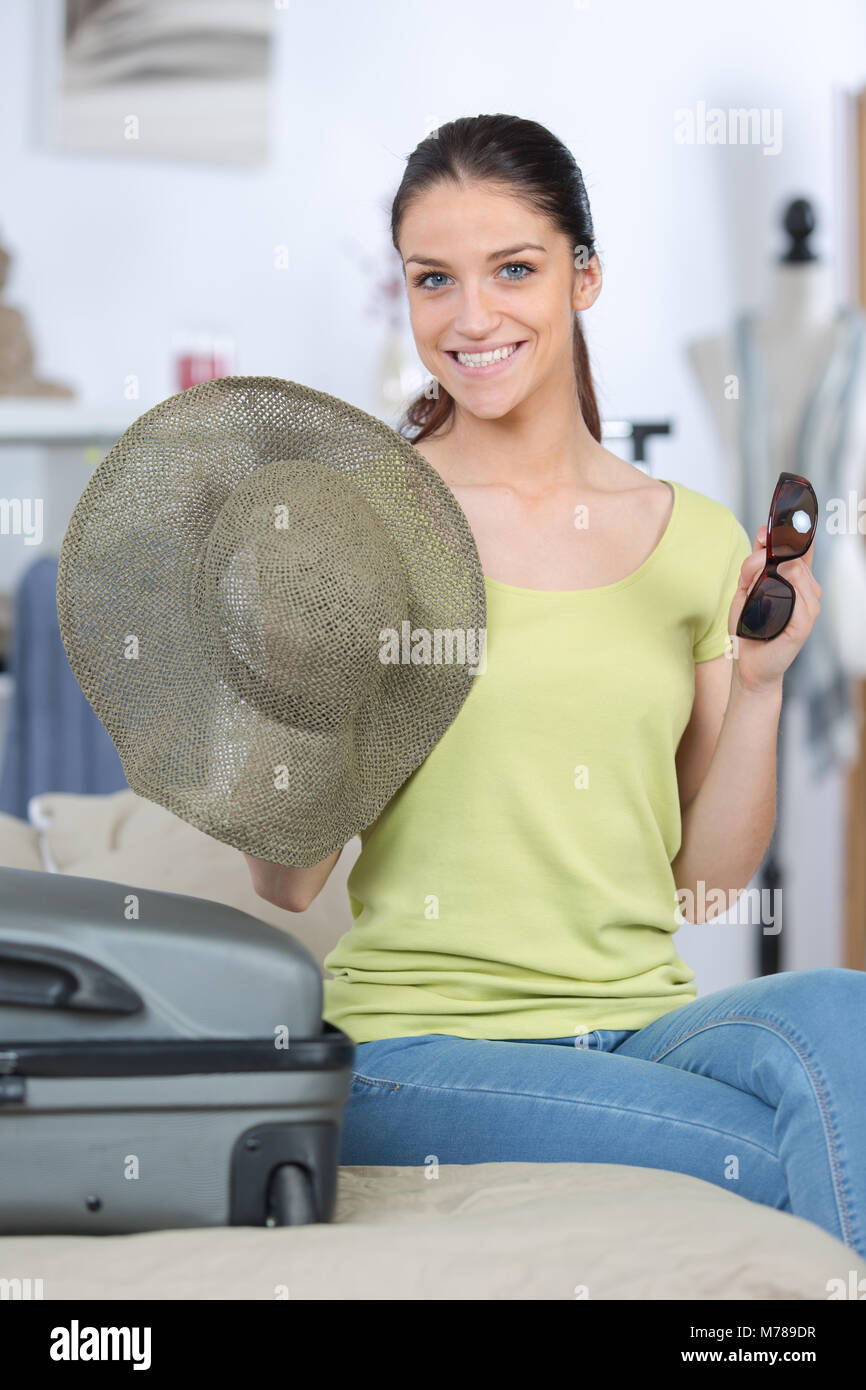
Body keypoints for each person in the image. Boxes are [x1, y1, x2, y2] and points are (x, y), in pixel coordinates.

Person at [245, 114, 865, 1258]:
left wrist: (765, 686)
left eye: (513, 269)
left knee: (847, 1015)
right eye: (435, 280)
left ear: (583, 277)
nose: (471, 318)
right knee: (781, 1147)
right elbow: (287, 881)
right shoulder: (363, 523)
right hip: (413, 1053)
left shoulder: (692, 538)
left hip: (640, 1027)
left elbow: (710, 884)